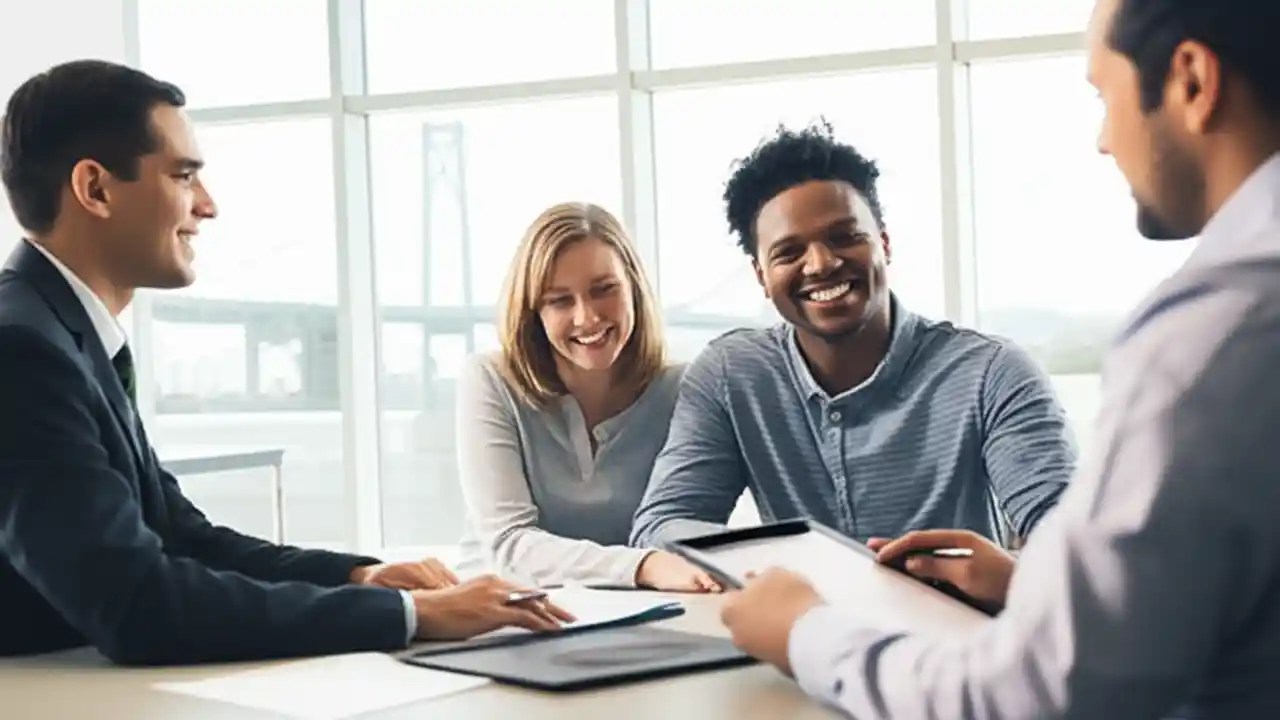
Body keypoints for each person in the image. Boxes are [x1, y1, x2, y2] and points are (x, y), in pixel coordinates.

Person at [720, 0, 1280, 717]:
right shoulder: (732, 372)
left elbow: (1033, 693)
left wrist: (806, 631)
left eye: (1103, 96)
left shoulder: (1213, 336)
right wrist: (1035, 588)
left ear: (1193, 82)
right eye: (788, 251)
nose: (1105, 140)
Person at [0, 60, 570, 665]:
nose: (208, 206)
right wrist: (412, 616)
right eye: (184, 176)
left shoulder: (61, 332)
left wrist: (356, 579)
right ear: (96, 189)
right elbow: (138, 604)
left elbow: (180, 538)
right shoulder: (23, 351)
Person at [630, 121, 1075, 552]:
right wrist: (776, 563)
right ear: (761, 276)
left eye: (845, 237)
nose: (821, 264)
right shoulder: (732, 374)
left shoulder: (991, 374)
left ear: (884, 243)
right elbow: (661, 527)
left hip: (955, 624)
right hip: (799, 626)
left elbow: (1069, 536)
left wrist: (1006, 580)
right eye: (789, 252)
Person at [456, 202, 718, 591]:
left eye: (604, 290)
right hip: (501, 614)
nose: (588, 318)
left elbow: (693, 527)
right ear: (534, 313)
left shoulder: (685, 389)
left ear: (633, 289)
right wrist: (644, 566)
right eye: (560, 300)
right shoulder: (491, 381)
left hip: (638, 615)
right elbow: (509, 545)